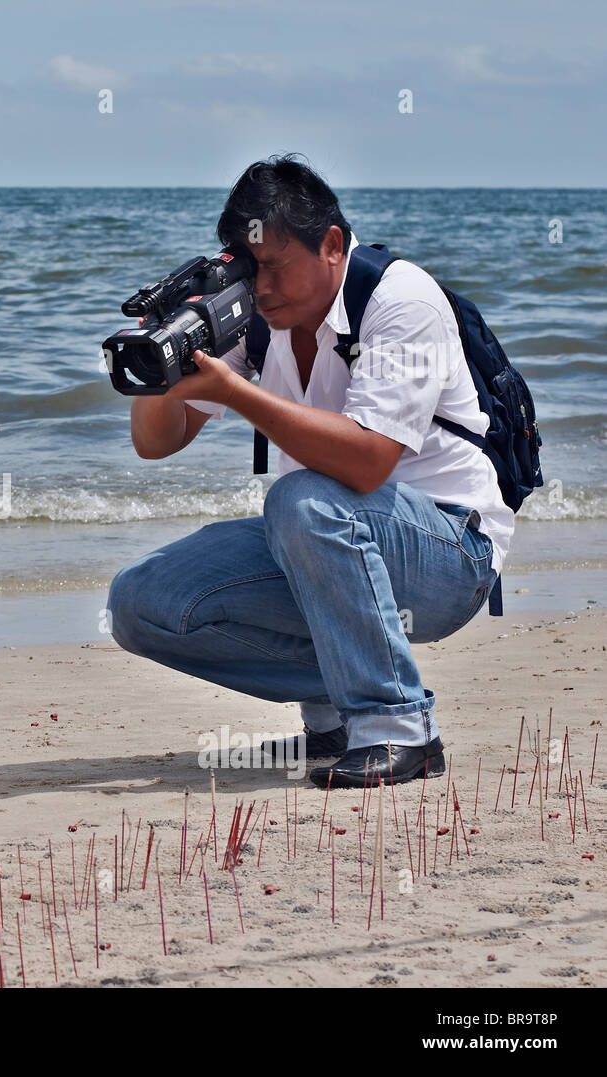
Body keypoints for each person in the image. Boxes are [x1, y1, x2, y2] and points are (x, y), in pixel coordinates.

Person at [107, 156, 511, 788]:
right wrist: (167, 358)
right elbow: (157, 443)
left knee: (301, 501)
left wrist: (237, 393)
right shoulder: (259, 317)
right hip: (325, 542)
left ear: (330, 245)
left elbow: (366, 461)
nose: (260, 286)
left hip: (451, 551)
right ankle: (337, 718)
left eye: (273, 265)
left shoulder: (401, 300)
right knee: (139, 604)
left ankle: (400, 726)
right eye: (248, 267)